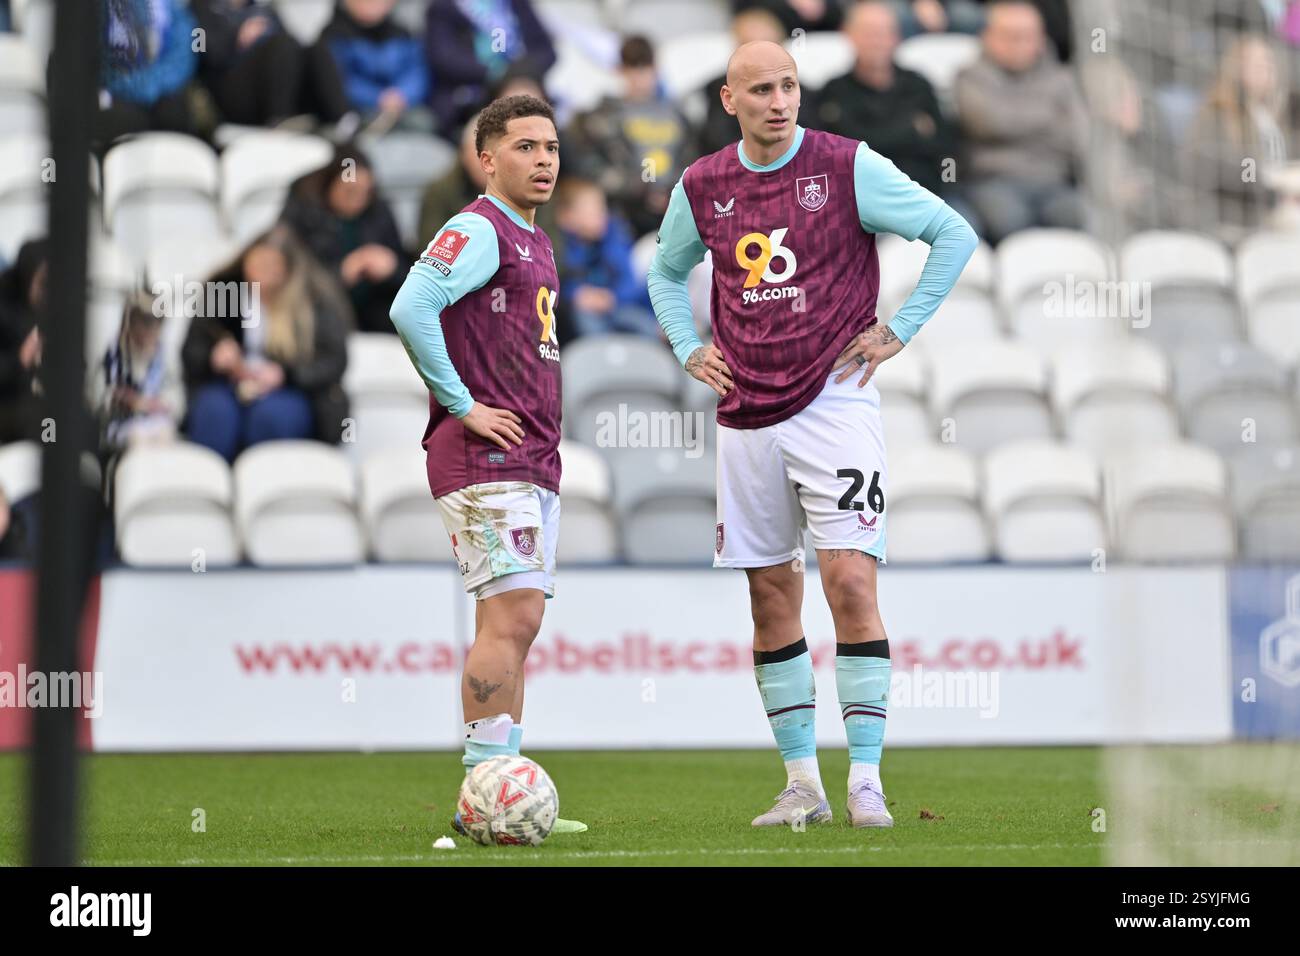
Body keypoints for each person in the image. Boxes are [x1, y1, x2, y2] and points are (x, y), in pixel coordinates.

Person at [647, 40, 976, 828]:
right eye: (760, 89)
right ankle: (803, 784)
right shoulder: (702, 184)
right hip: (745, 416)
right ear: (730, 100)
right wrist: (688, 346)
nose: (778, 100)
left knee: (851, 582)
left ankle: (866, 778)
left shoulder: (848, 165)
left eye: (788, 85)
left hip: (835, 403)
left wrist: (899, 329)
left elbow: (951, 232)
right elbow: (665, 273)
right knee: (769, 596)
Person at [388, 94, 584, 836]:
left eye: (551, 148)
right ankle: (481, 800)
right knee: (515, 616)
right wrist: (462, 403)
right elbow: (411, 308)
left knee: (515, 625)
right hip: (485, 453)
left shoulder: (535, 237)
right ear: (488, 158)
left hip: (530, 455)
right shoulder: (477, 227)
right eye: (527, 146)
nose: (543, 160)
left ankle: (504, 794)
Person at [181, 226, 351, 462]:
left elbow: (333, 361)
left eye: (271, 267)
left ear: (288, 271)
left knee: (271, 419)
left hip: (292, 391)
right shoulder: (223, 291)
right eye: (256, 263)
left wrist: (285, 374)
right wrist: (214, 356)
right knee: (214, 416)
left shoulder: (315, 301)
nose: (261, 273)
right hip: (226, 385)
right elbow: (191, 352)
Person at [817, 0, 978, 233]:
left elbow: (945, 146)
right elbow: (842, 154)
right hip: (865, 202)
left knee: (968, 233)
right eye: (868, 33)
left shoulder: (919, 85)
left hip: (927, 192)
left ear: (897, 37)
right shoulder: (833, 91)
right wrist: (912, 131)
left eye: (885, 33)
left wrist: (945, 182)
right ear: (848, 35)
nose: (877, 41)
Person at [954, 0, 1087, 243]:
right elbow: (991, 122)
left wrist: (1016, 119)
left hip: (1054, 182)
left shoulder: (1062, 79)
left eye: (1028, 36)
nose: (1019, 45)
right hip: (993, 182)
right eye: (1010, 36)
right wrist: (1049, 115)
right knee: (1008, 220)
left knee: (1082, 216)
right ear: (987, 36)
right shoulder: (969, 75)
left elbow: (1076, 137)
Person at [565, 35, 696, 236]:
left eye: (644, 68)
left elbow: (692, 160)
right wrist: (635, 188)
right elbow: (589, 166)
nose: (639, 77)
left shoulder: (677, 115)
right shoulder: (603, 115)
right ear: (621, 70)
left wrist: (672, 192)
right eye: (632, 68)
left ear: (655, 68)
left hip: (675, 214)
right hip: (624, 218)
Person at [280, 145, 407, 334]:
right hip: (319, 316)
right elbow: (290, 277)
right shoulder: (303, 215)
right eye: (350, 192)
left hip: (375, 312)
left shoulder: (378, 212)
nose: (358, 200)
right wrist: (340, 274)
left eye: (366, 192)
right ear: (329, 184)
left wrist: (392, 267)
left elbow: (410, 269)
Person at [423, 0, 556, 133]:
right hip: (468, 97)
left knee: (528, 98)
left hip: (519, 81)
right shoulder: (443, 7)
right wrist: (498, 74)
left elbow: (546, 52)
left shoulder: (516, 3)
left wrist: (520, 73)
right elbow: (446, 60)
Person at [552, 176, 656, 341]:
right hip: (585, 309)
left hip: (618, 304)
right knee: (587, 323)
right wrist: (576, 295)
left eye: (602, 209)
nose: (601, 217)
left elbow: (630, 281)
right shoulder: (560, 247)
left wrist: (612, 298)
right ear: (567, 218)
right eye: (591, 212)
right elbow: (559, 283)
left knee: (644, 326)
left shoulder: (615, 238)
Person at [315, 0, 432, 132]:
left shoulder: (403, 33)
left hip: (404, 108)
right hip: (358, 114)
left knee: (423, 123)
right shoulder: (333, 37)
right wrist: (378, 98)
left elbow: (417, 71)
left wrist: (402, 95)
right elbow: (337, 81)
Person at [91, 292, 183, 451]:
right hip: (121, 424)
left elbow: (178, 400)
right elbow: (97, 397)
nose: (149, 329)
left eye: (155, 322)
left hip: (156, 422)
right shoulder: (113, 354)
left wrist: (162, 404)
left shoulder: (165, 357)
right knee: (138, 437)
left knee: (164, 434)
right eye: (143, 321)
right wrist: (123, 400)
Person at [0, 239, 46, 444]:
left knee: (65, 424)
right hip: (8, 408)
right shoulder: (6, 309)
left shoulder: (53, 311)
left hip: (43, 410)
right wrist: (21, 358)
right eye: (43, 282)